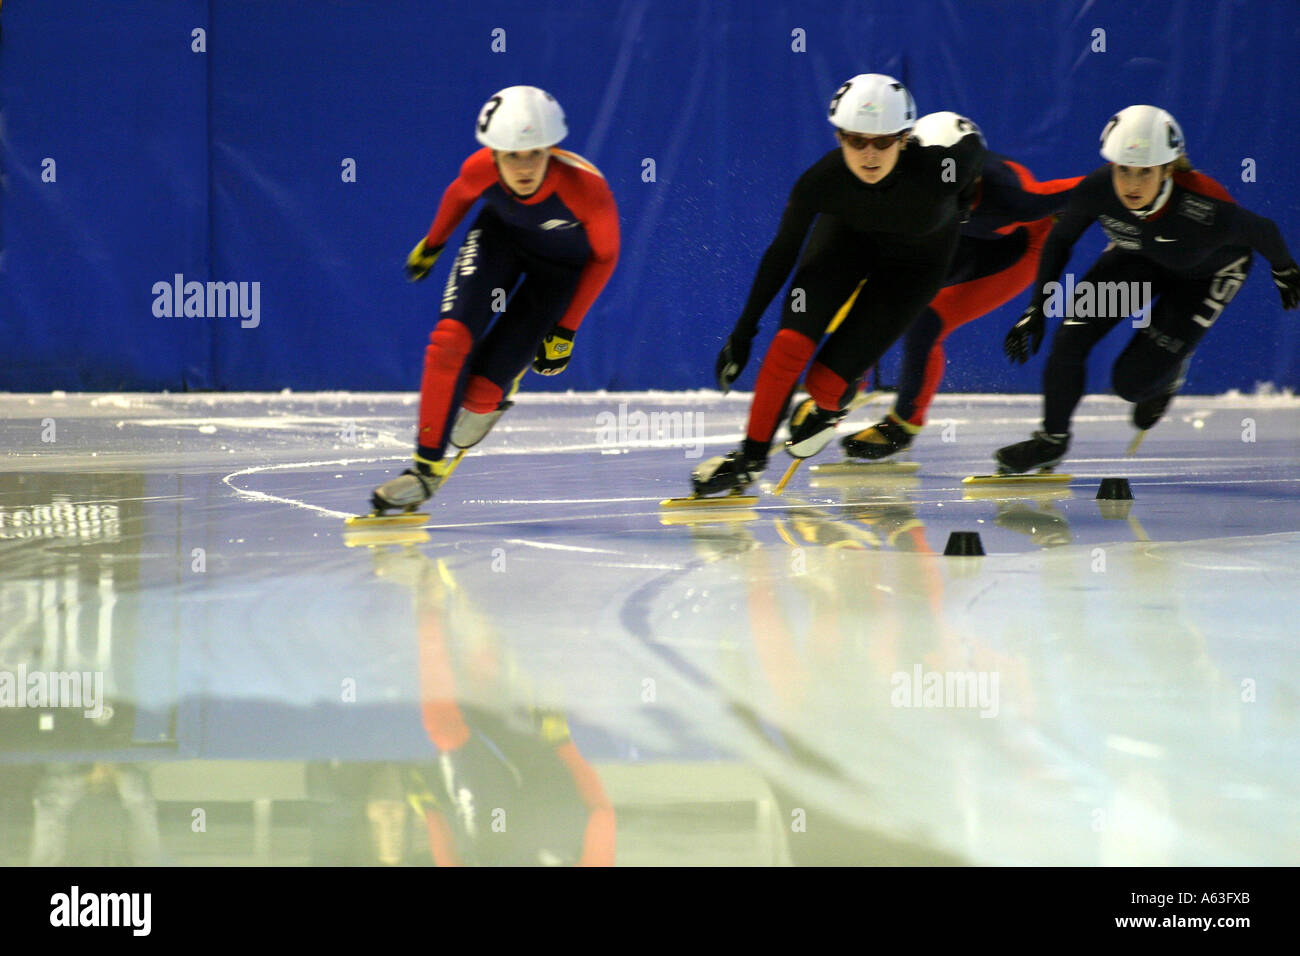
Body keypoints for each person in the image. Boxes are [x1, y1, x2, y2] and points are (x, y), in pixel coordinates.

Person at [696, 75, 984, 496]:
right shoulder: (822, 180)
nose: (868, 155)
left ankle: (830, 407)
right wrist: (743, 333)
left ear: (904, 139)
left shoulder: (940, 169)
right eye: (855, 140)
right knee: (789, 345)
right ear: (838, 136)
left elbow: (974, 149)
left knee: (825, 387)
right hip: (845, 243)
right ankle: (749, 460)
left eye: (882, 143)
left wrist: (961, 203)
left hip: (913, 266)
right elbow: (781, 253)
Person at [997, 104, 1300, 473]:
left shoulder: (1201, 207)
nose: (1132, 185)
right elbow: (1060, 241)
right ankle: (1051, 441)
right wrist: (1037, 308)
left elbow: (1263, 231)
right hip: (1139, 258)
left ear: (1168, 170)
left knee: (1131, 385)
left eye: (1145, 173)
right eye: (1123, 170)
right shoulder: (1098, 189)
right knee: (1070, 337)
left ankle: (1168, 374)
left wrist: (1285, 270)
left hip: (1204, 276)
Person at [371, 86, 620, 513]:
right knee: (449, 340)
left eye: (534, 155)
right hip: (497, 242)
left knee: (480, 394)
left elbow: (605, 257)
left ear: (551, 149)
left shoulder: (587, 189)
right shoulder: (478, 168)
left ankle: (488, 397)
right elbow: (459, 195)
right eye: (511, 156)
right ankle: (423, 469)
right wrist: (433, 244)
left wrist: (567, 329)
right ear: (494, 155)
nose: (523, 167)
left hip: (558, 275)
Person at [840, 121, 1083, 459]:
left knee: (925, 321)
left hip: (1012, 252)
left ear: (977, 176)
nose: (945, 197)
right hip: (952, 245)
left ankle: (902, 426)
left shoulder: (1013, 196)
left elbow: (1097, 187)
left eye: (958, 188)